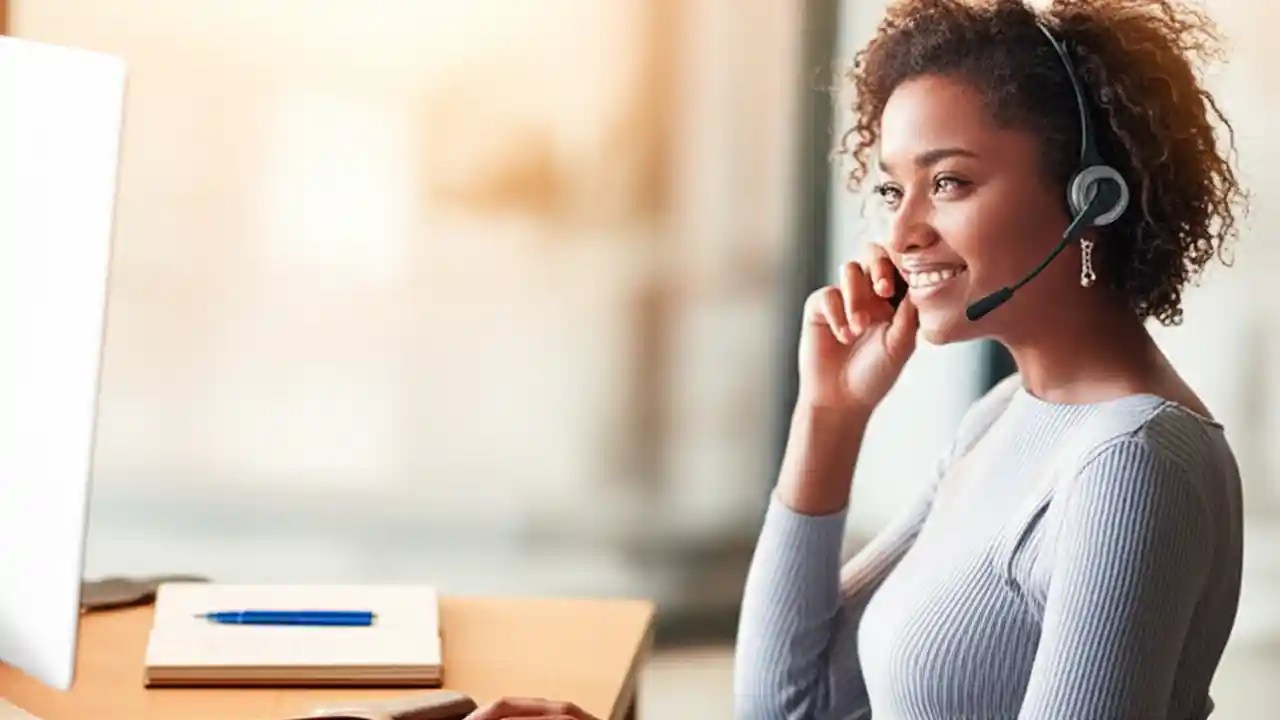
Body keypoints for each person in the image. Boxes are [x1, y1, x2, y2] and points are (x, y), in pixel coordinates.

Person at [463, 0, 1246, 717]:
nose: (902, 231)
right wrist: (829, 416)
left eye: (948, 182)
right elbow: (790, 703)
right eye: (891, 189)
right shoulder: (1005, 415)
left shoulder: (1134, 462)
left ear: (1092, 200)